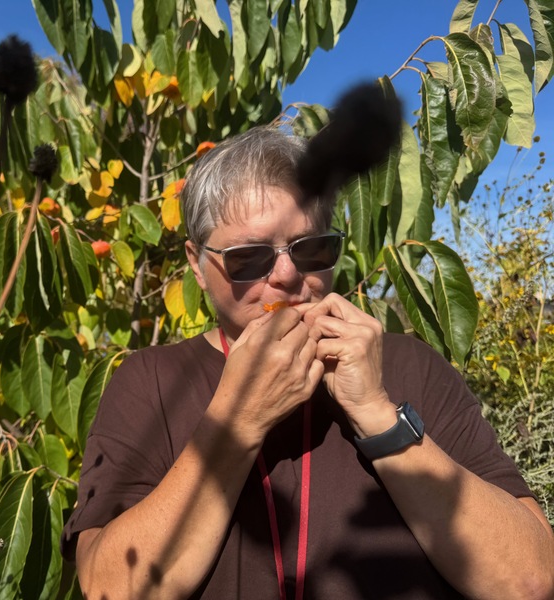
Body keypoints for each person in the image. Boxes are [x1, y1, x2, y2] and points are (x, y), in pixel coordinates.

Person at [61, 126, 554, 599]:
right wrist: (237, 421)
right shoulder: (150, 382)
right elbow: (113, 587)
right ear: (196, 261)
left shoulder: (411, 365)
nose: (287, 276)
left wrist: (380, 416)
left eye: (311, 249)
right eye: (249, 257)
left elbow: (531, 581)